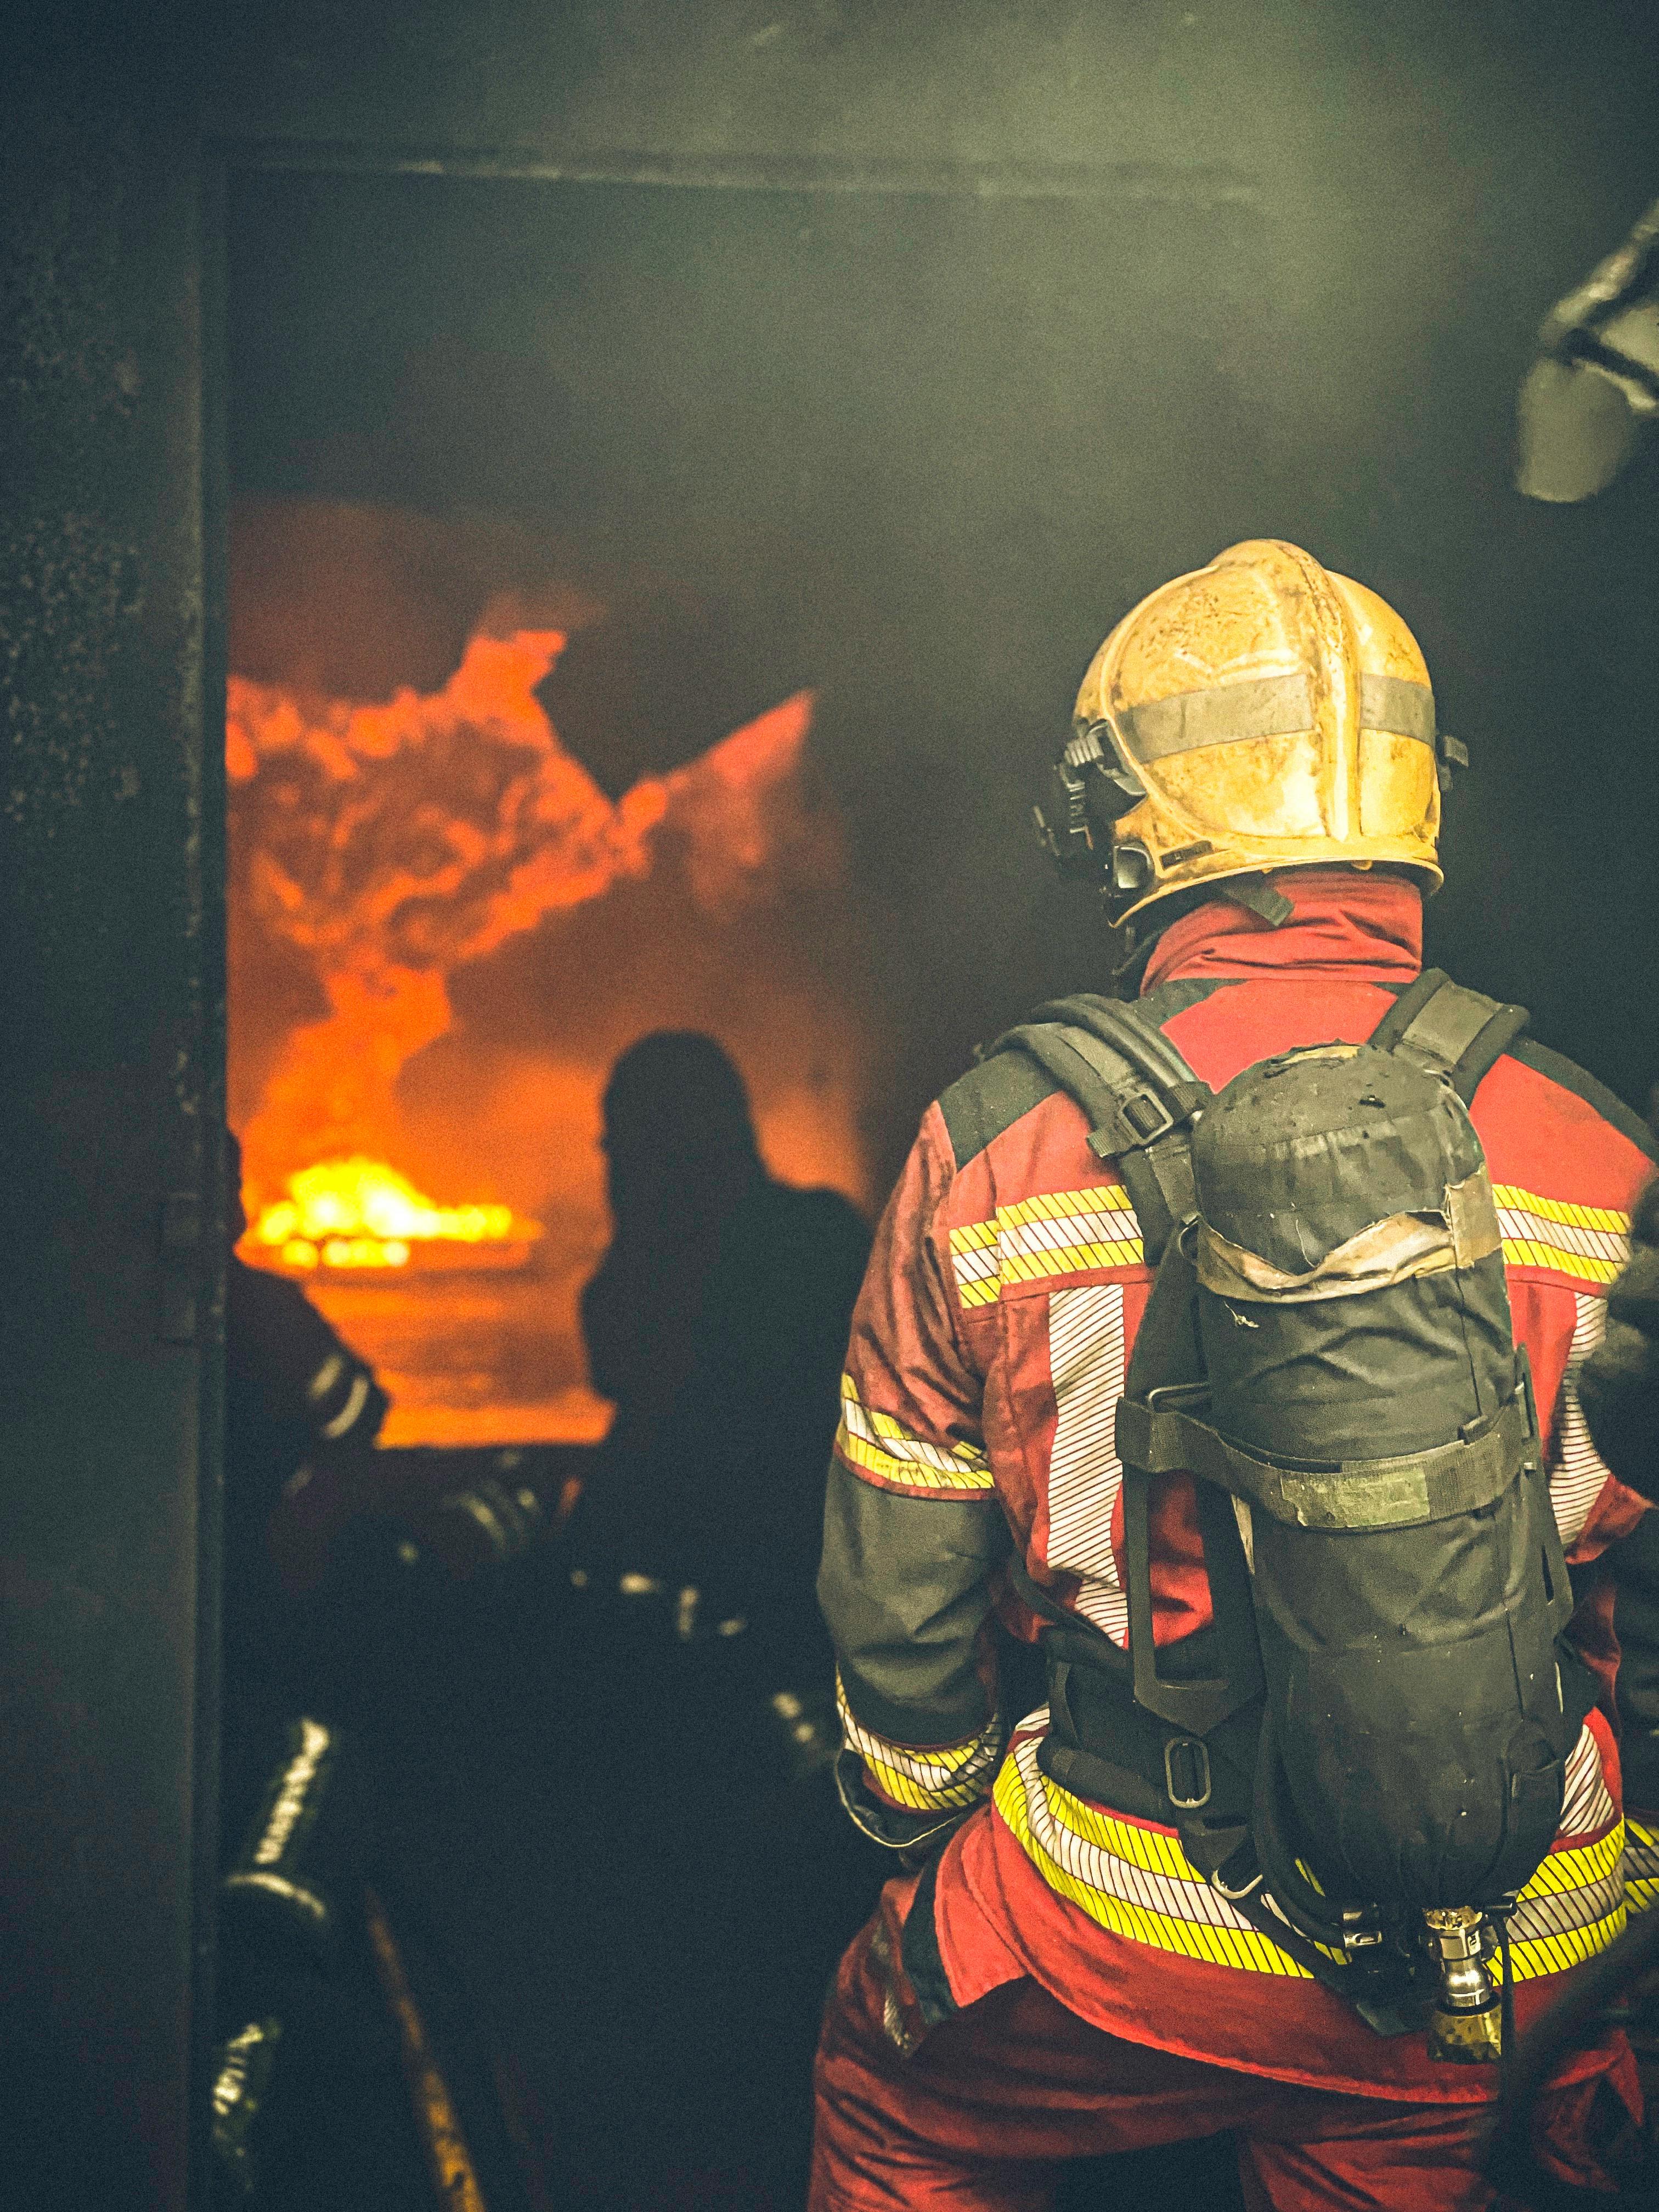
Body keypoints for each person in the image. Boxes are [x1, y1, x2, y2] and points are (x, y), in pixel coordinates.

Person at [811, 540, 1655, 2209]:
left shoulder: (996, 1142)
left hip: (1131, 1914)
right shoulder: (1600, 1152)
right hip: (1524, 1932)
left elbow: (903, 1572)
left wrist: (924, 1840)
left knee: (892, 2093)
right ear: (1418, 800)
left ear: (1123, 818)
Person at [577, 1032, 870, 1671]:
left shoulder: (671, 1270)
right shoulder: (826, 1233)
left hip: (732, 1593)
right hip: (815, 1588)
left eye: (623, 1149)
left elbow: (622, 1366)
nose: (613, 1167)